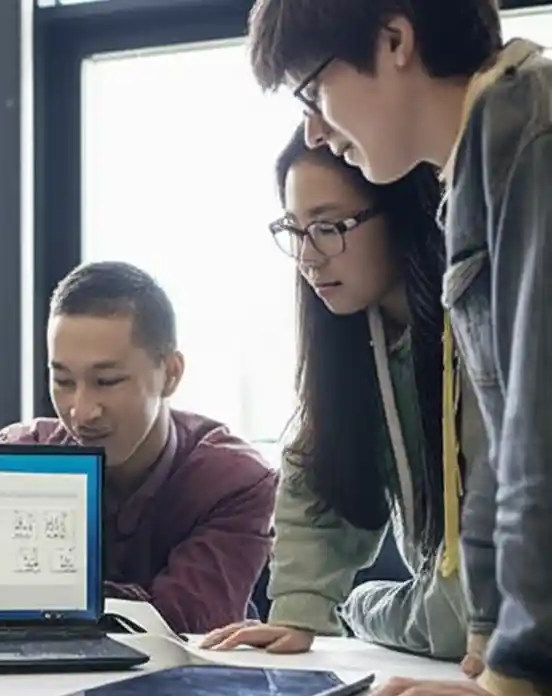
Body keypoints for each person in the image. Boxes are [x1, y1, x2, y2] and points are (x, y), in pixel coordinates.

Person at [247, 1, 552, 696]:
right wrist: (493, 651)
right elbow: (507, 457)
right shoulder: (478, 166)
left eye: (313, 91)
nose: (316, 128)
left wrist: (518, 682)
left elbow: (538, 439)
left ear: (395, 40)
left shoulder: (530, 136)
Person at [202, 125, 484, 663]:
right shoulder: (355, 340)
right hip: (456, 622)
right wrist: (298, 612)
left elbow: (461, 618)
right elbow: (321, 472)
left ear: (403, 213)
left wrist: (362, 608)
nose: (309, 257)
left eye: (329, 227)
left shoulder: (478, 329)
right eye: (295, 229)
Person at [0, 261, 277, 634]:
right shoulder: (18, 459)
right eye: (62, 380)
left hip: (187, 686)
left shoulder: (235, 483)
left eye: (106, 381)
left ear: (170, 374)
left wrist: (39, 598)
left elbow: (183, 624)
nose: (81, 411)